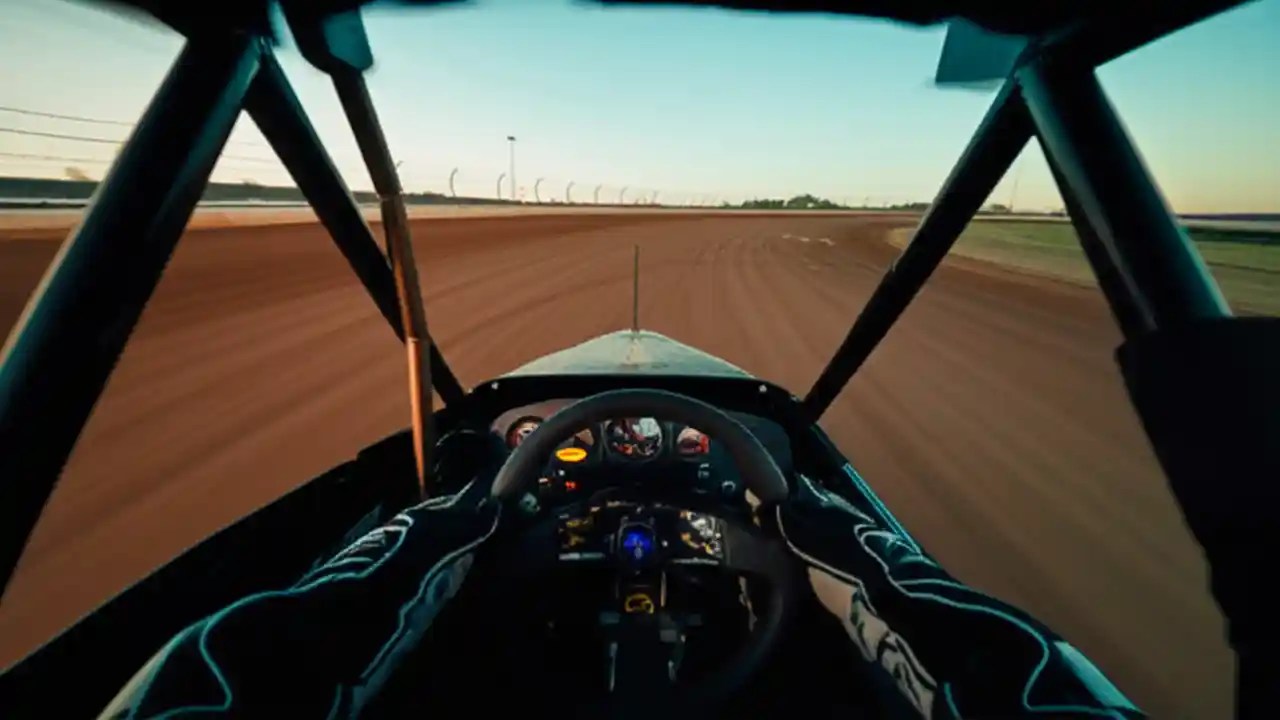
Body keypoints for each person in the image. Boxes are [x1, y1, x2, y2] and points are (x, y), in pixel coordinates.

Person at [100, 474, 1143, 719]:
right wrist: (805, 530)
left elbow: (357, 606)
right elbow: (914, 609)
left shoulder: (240, 669)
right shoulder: (1020, 684)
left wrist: (477, 511)